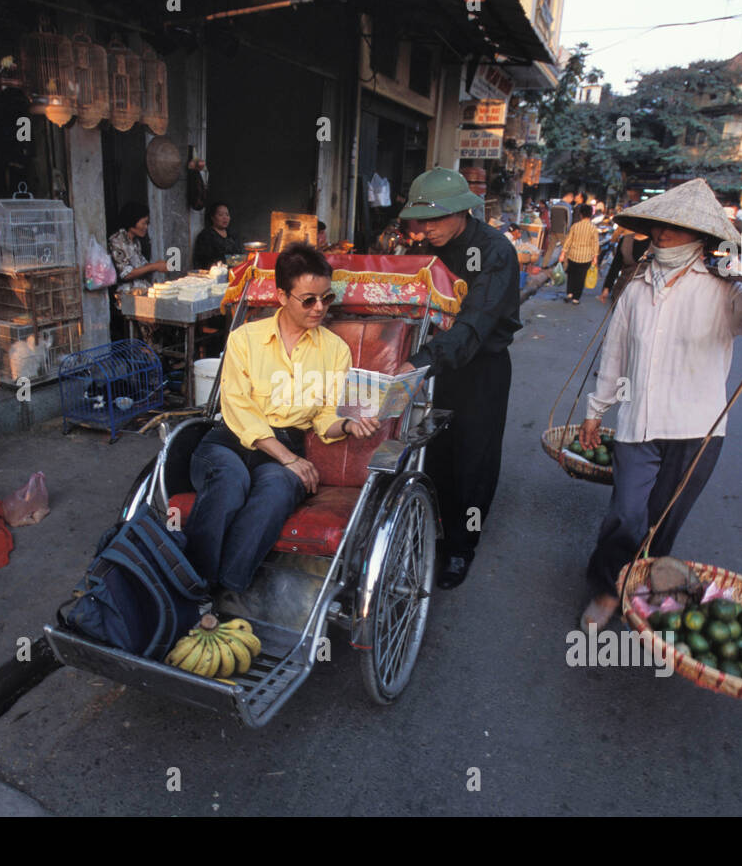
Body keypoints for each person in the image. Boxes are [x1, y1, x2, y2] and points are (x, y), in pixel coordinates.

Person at [576, 178, 742, 631]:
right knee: (626, 513)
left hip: (698, 428)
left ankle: (644, 584)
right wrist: (596, 411)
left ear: (702, 239)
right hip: (638, 423)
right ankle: (606, 586)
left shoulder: (725, 288)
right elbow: (615, 354)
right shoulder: (635, 286)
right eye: (658, 228)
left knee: (663, 519)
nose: (661, 237)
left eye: (674, 230)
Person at [184, 244, 381, 592]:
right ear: (281, 296)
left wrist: (349, 424)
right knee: (231, 482)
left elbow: (325, 417)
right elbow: (238, 408)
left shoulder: (335, 350)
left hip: (287, 445)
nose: (319, 308)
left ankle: (223, 593)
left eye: (326, 298)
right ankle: (193, 586)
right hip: (229, 441)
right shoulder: (245, 338)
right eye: (308, 300)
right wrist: (289, 459)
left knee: (276, 490)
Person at [394, 167, 522, 589]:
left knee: (473, 459)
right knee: (431, 451)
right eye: (420, 220)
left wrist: (418, 363)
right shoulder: (423, 249)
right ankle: (429, 526)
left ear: (463, 212)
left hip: (478, 367)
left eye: (435, 220)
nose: (426, 229)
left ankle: (462, 546)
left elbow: (473, 326)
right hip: (430, 364)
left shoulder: (494, 251)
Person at [109, 202, 169, 292]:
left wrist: (159, 265)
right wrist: (154, 266)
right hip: (127, 295)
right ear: (132, 221)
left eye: (147, 224)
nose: (146, 227)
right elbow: (126, 274)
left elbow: (142, 266)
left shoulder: (136, 241)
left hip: (142, 290)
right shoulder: (117, 240)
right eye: (143, 223)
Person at [560, 203, 600, 304]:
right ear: (591, 215)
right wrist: (595, 257)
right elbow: (595, 244)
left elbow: (568, 240)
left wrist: (563, 253)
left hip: (573, 255)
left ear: (581, 214)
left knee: (571, 275)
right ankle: (576, 298)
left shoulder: (575, 226)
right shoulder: (593, 228)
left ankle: (569, 293)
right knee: (580, 278)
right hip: (586, 257)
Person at [597, 228, 650, 304]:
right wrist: (607, 287)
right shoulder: (625, 240)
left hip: (644, 295)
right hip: (622, 287)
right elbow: (615, 266)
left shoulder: (655, 244)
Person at [192, 200, 242, 270]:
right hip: (215, 274)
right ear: (212, 217)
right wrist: (234, 261)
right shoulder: (206, 236)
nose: (225, 218)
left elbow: (240, 256)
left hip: (235, 272)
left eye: (227, 215)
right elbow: (205, 261)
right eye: (220, 215)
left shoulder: (232, 235)